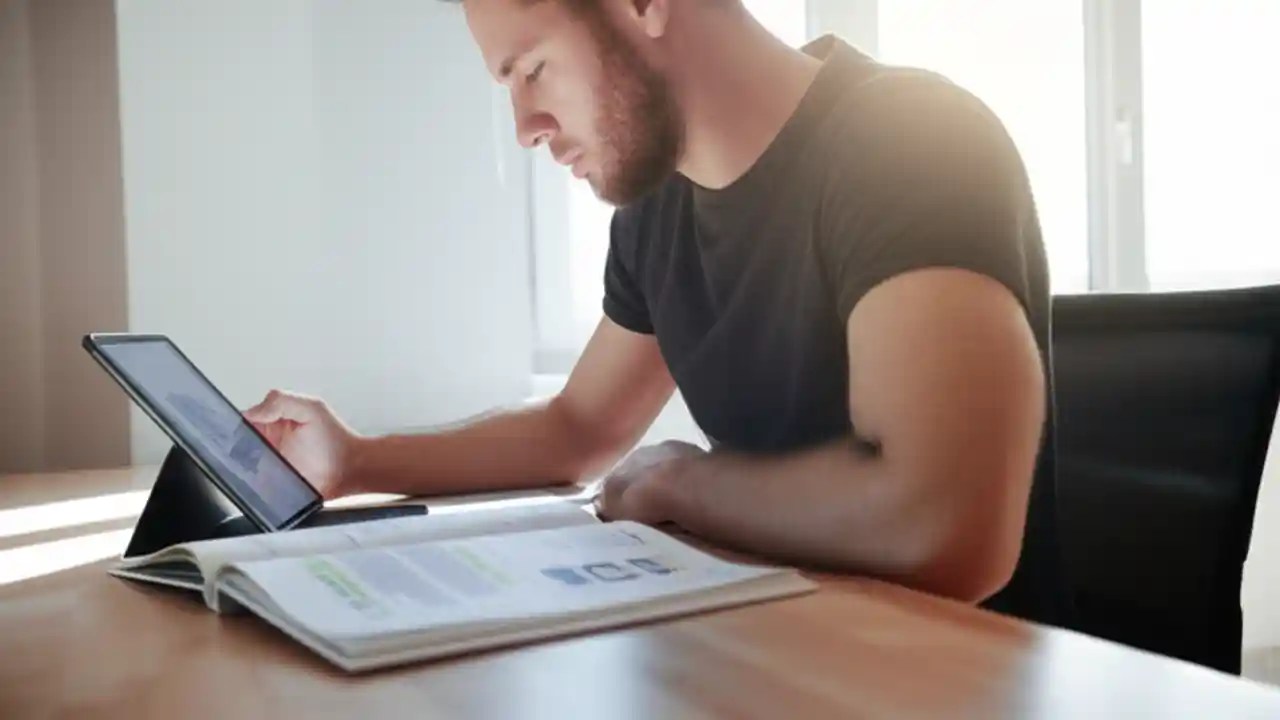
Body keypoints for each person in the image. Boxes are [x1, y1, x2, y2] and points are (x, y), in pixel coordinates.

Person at [245, 0, 1073, 627]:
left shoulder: (911, 141)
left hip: (937, 675)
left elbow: (947, 527)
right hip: (778, 644)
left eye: (531, 70)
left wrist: (687, 483)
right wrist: (355, 460)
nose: (526, 129)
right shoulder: (657, 213)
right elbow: (576, 430)